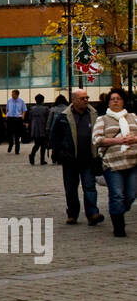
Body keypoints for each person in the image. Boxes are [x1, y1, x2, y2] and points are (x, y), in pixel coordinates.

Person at [49, 88, 104, 225]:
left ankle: (93, 214)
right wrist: (59, 153)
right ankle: (72, 213)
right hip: (70, 160)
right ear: (73, 100)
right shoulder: (63, 117)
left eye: (87, 97)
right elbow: (54, 136)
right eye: (82, 98)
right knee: (71, 188)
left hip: (89, 158)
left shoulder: (94, 114)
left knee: (90, 187)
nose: (86, 100)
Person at [92, 86, 137, 237]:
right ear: (108, 103)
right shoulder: (102, 119)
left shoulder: (133, 117)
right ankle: (119, 226)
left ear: (123, 101)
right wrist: (117, 140)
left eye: (118, 99)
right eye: (112, 99)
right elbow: (97, 140)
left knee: (131, 194)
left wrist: (134, 138)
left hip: (133, 162)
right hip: (112, 164)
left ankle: (119, 211)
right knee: (117, 194)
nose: (115, 101)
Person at [27, 94, 50, 166]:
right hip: (43, 128)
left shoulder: (32, 109)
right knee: (43, 145)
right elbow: (48, 119)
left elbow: (30, 119)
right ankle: (42, 160)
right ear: (43, 100)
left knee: (36, 144)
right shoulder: (46, 109)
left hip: (35, 129)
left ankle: (32, 155)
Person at [46, 94, 68, 162]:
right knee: (64, 143)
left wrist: (47, 129)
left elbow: (49, 120)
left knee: (55, 143)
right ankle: (62, 156)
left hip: (55, 129)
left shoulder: (53, 109)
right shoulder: (68, 108)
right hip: (65, 128)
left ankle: (55, 156)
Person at [5, 89, 27, 154]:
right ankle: (11, 144)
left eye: (13, 94)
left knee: (17, 135)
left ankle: (17, 150)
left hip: (18, 119)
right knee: (9, 134)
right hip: (10, 118)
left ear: (17, 94)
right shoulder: (9, 101)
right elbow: (7, 109)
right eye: (11, 94)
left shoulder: (21, 101)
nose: (12, 95)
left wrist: (23, 115)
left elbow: (24, 109)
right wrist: (7, 114)